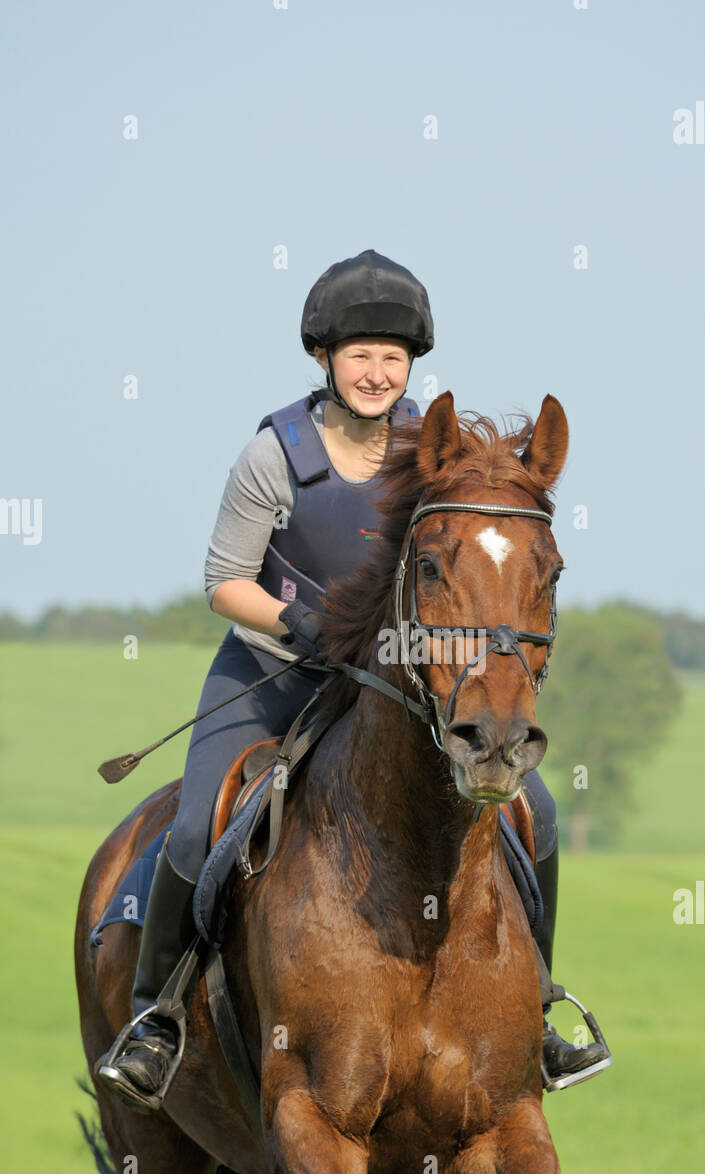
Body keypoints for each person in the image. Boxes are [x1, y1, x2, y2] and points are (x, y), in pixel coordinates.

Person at [97, 249, 607, 1113]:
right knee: (191, 830)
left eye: (393, 358)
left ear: (412, 367)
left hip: (391, 693)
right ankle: (156, 1017)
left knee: (539, 812)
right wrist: (298, 624)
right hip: (274, 675)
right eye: (359, 355)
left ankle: (537, 1009)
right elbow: (224, 579)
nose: (376, 373)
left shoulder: (433, 454)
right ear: (323, 360)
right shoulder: (275, 455)